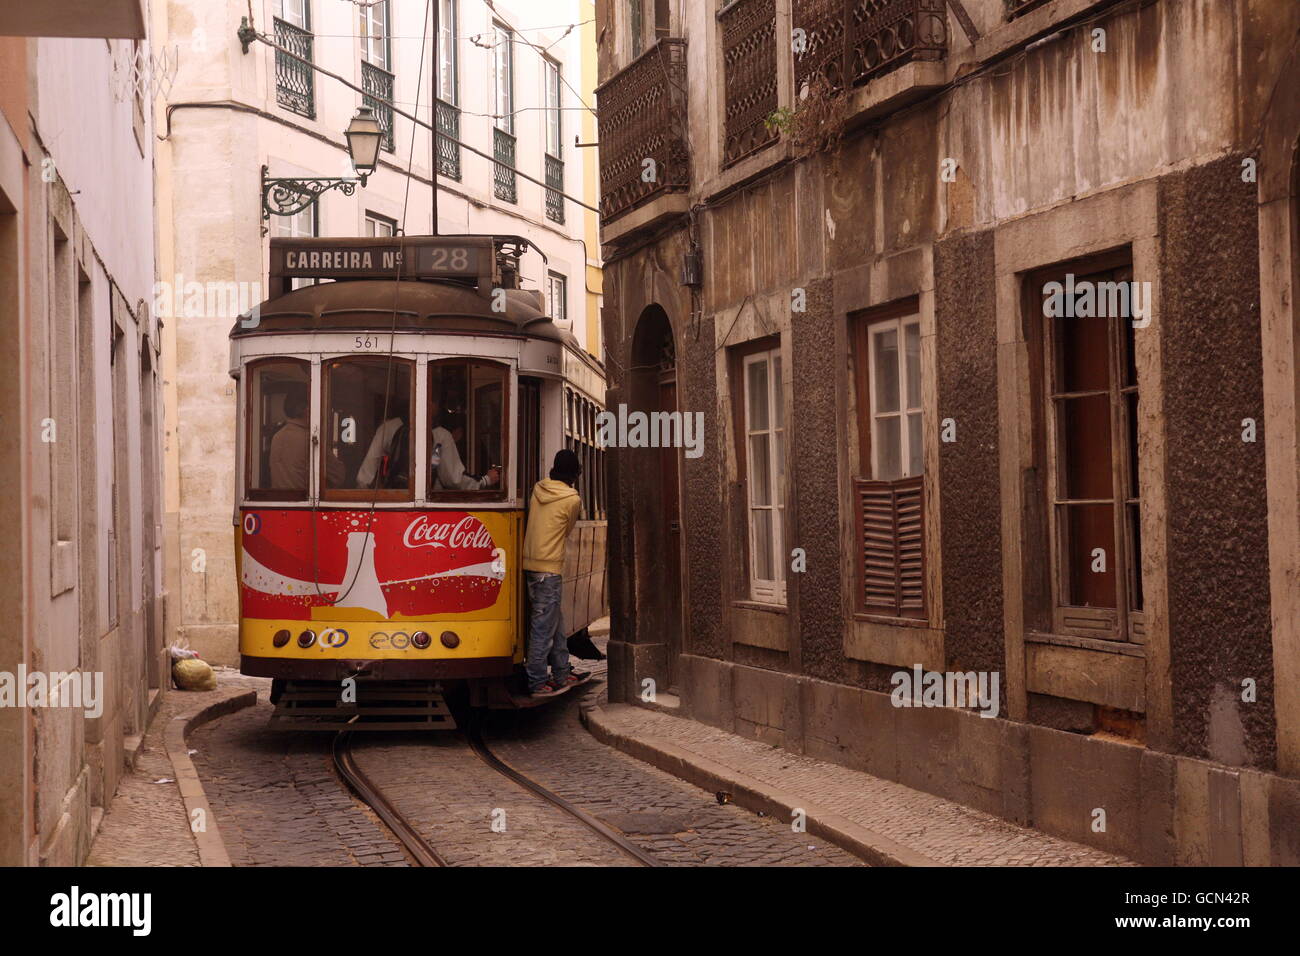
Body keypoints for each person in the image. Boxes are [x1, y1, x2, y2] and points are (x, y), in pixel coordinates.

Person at [521, 449, 587, 697]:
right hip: (549, 568)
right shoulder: (572, 499)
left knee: (555, 623)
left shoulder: (538, 489)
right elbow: (567, 530)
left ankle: (561, 672)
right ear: (574, 474)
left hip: (530, 564)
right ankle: (537, 681)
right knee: (542, 629)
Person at [355, 394, 500, 491]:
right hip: (429, 507)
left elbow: (365, 476)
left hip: (392, 502)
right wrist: (485, 481)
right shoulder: (441, 435)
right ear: (432, 404)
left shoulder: (388, 428)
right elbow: (452, 478)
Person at [268, 384, 343, 490]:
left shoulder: (276, 437)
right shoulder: (310, 439)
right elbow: (338, 475)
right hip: (304, 503)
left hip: (278, 502)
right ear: (307, 409)